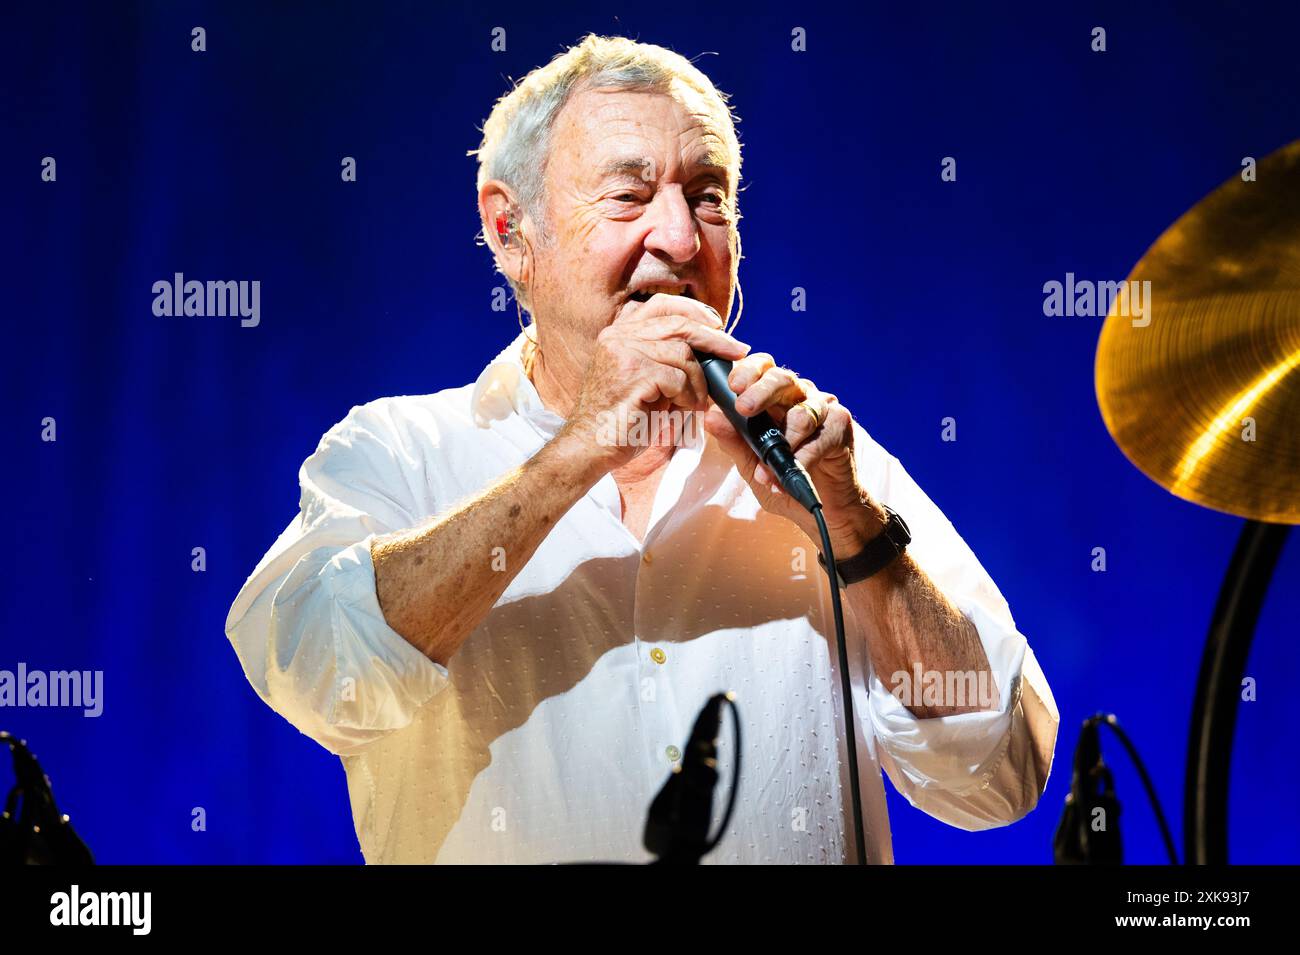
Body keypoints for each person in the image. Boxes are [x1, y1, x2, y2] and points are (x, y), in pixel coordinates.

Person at [225, 33, 1058, 864]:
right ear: (512, 231)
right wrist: (577, 451)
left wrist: (852, 527)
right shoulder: (402, 452)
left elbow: (1001, 773)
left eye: (708, 197)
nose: (682, 240)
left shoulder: (829, 468)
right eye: (629, 195)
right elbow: (316, 673)